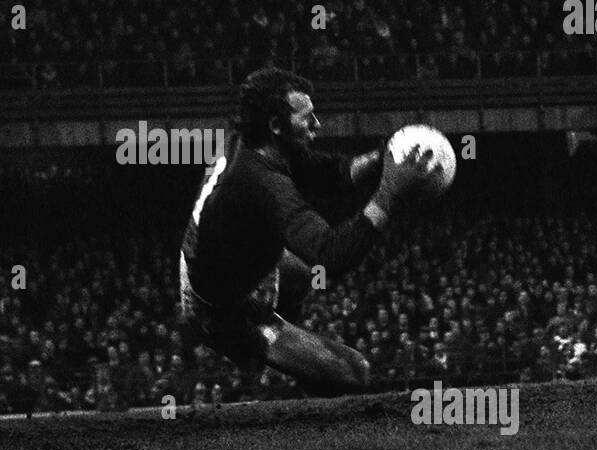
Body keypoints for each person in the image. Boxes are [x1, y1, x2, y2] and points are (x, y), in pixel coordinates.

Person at [179, 67, 437, 396]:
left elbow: (335, 174)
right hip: (220, 309)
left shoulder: (253, 143)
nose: (317, 125)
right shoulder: (263, 184)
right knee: (355, 373)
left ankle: (283, 338)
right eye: (308, 118)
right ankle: (255, 349)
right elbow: (332, 255)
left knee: (304, 275)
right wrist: (389, 193)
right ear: (276, 125)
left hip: (213, 263)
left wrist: (384, 157)